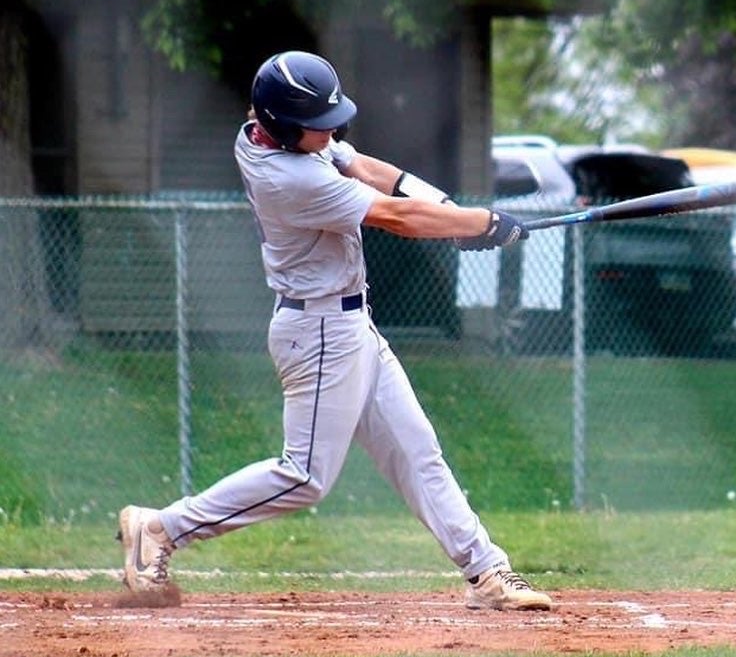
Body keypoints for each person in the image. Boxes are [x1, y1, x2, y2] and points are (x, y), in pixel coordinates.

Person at [118, 50, 553, 611]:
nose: (329, 136)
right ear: (281, 127)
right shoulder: (289, 177)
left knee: (418, 450)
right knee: (304, 477)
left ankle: (488, 572)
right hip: (319, 331)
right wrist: (482, 224)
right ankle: (162, 528)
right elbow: (396, 217)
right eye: (317, 128)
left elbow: (368, 167)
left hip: (351, 325)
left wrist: (448, 209)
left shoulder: (268, 134)